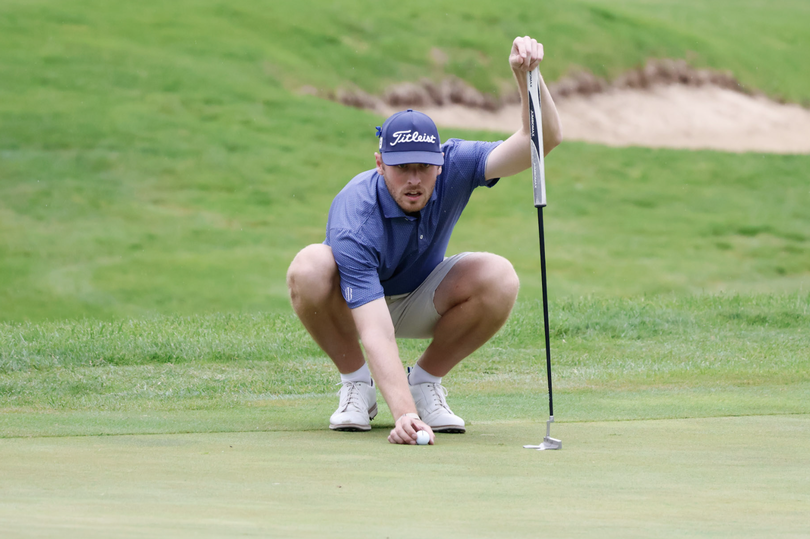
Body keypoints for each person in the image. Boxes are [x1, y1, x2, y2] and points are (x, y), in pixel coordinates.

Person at [287, 36, 562, 445]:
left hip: (420, 297)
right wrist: (404, 417)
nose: (414, 179)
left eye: (424, 167)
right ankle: (357, 385)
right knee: (309, 266)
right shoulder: (355, 214)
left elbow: (539, 143)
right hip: (354, 306)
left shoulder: (456, 165)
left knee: (499, 276)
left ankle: (425, 381)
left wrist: (527, 77)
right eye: (402, 168)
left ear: (440, 163)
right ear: (380, 164)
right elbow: (376, 330)